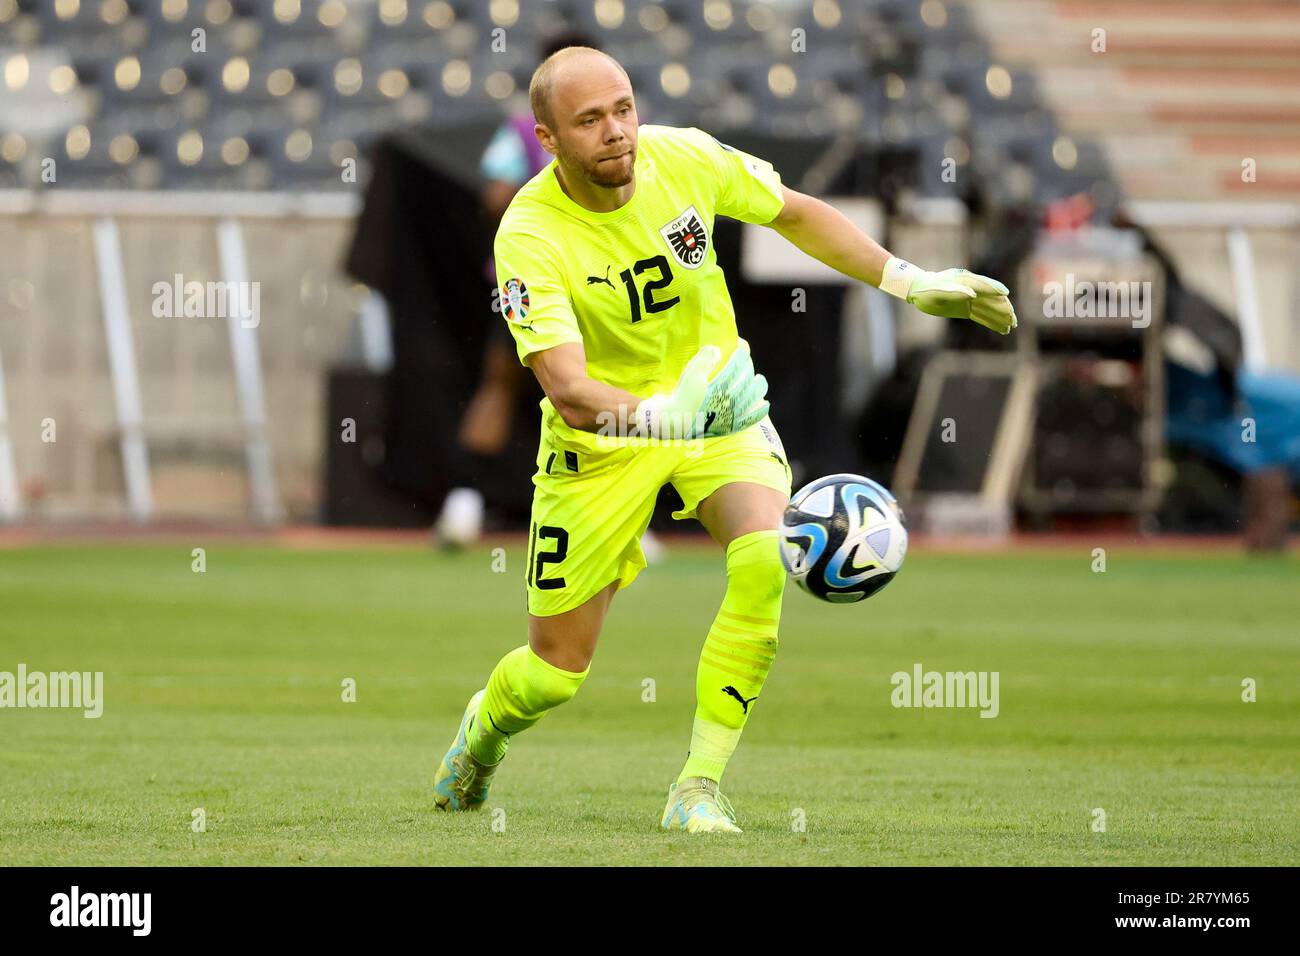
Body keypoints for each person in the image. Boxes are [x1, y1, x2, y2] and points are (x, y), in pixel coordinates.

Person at [433, 47, 1016, 832]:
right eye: (590, 120)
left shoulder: (685, 157)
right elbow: (568, 392)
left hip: (723, 411)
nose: (617, 131)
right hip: (604, 444)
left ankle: (696, 788)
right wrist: (666, 415)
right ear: (547, 137)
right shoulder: (529, 236)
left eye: (624, 108)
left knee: (760, 559)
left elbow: (797, 211)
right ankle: (482, 736)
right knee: (554, 673)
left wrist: (912, 282)